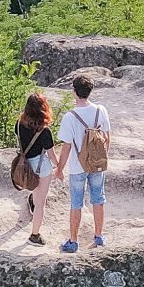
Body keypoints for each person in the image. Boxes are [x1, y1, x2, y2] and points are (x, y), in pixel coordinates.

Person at [54, 75, 111, 254]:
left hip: (78, 167)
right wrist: (99, 157)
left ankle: (73, 241)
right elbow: (107, 138)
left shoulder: (70, 117)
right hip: (97, 164)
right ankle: (99, 236)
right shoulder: (100, 110)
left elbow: (66, 147)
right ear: (90, 91)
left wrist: (60, 168)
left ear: (74, 92)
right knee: (99, 199)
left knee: (76, 203)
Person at [15, 91, 56, 245]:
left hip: (25, 165)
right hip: (41, 166)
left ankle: (32, 198)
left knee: (36, 193)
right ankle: (34, 235)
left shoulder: (18, 125)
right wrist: (59, 166)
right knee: (41, 203)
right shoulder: (44, 131)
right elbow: (51, 154)